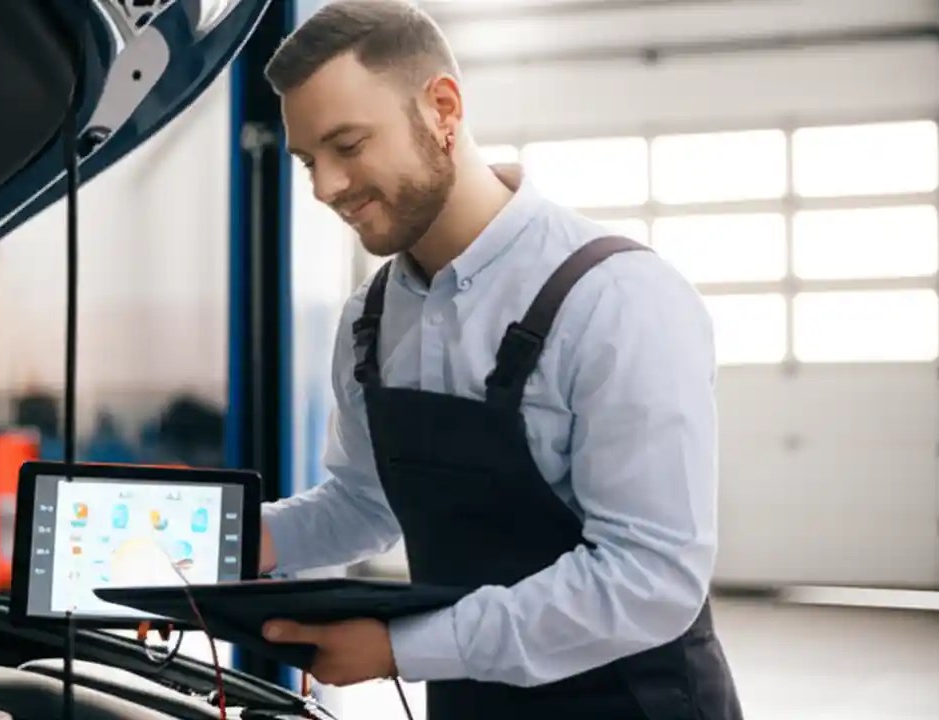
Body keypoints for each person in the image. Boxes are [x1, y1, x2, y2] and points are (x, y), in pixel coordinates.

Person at [254, 2, 744, 718]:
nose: (325, 187)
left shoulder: (617, 299)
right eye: (308, 161)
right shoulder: (370, 318)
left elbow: (651, 577)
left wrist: (401, 648)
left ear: (443, 109)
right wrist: (229, 539)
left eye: (348, 146)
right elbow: (366, 501)